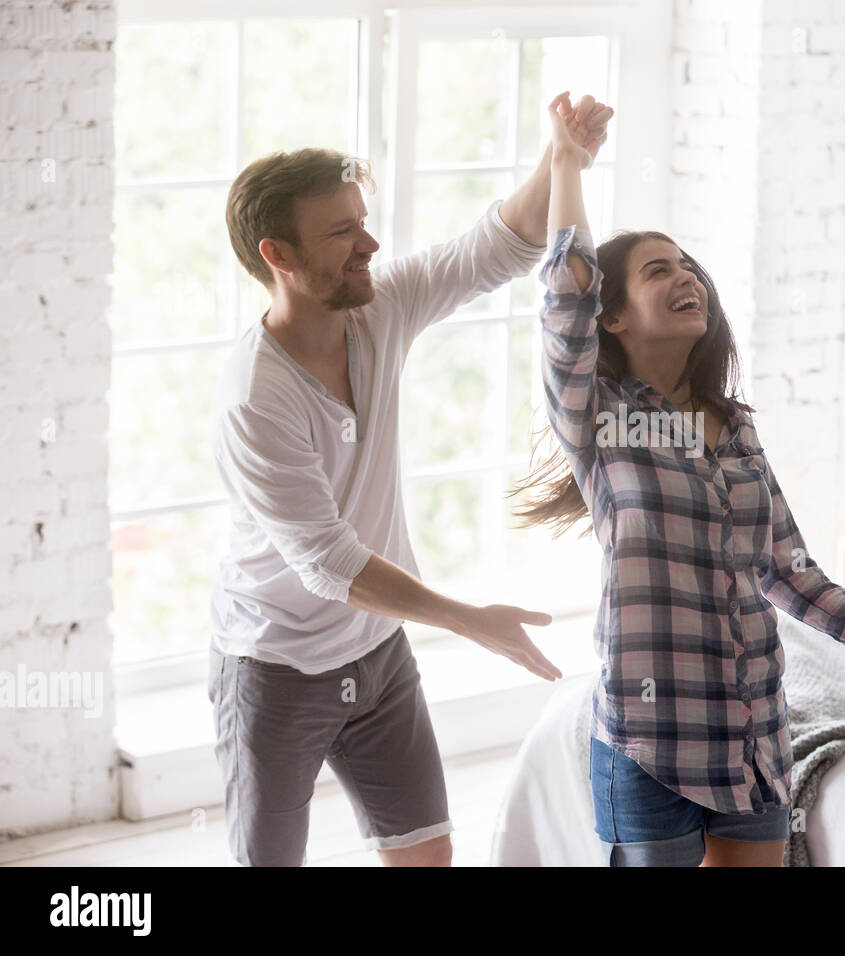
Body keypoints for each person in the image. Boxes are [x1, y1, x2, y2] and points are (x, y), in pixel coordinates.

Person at [514, 91, 845, 867]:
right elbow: (566, 297)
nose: (683, 276)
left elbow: (792, 576)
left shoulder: (737, 429)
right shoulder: (597, 419)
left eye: (687, 265)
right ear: (616, 316)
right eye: (657, 270)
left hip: (755, 732)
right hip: (649, 738)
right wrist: (567, 163)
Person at [207, 95, 610, 867]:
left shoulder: (376, 310)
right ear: (279, 256)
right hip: (276, 666)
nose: (370, 241)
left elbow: (492, 249)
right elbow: (328, 564)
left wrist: (559, 158)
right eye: (342, 231)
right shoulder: (256, 398)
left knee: (427, 855)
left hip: (376, 653)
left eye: (362, 220)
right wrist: (468, 619)